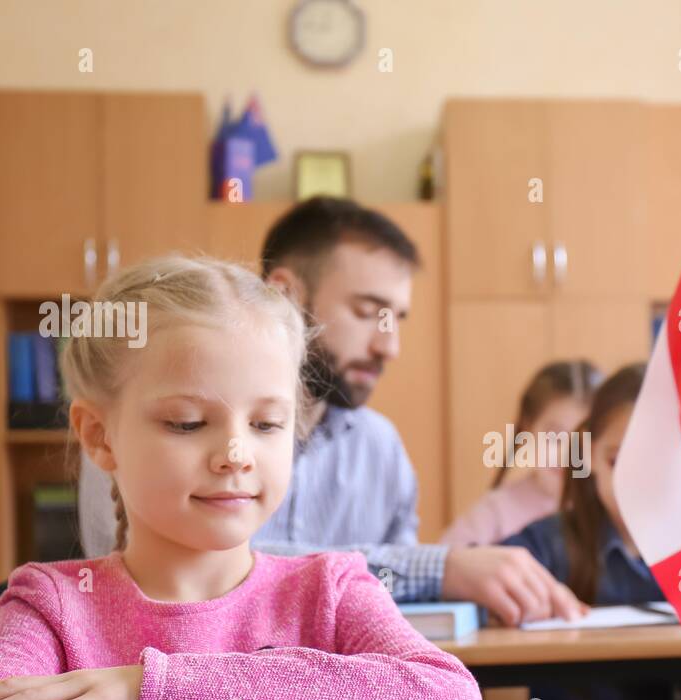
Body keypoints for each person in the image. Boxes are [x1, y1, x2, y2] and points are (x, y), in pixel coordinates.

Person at [0, 257, 487, 700]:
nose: (236, 455)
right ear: (99, 436)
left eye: (267, 424)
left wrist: (147, 688)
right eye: (188, 423)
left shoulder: (331, 587)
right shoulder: (51, 604)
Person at [78, 197, 583, 626]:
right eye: (368, 312)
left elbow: (389, 607)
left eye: (397, 319)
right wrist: (440, 568)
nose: (390, 345)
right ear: (286, 295)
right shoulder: (134, 429)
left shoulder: (380, 447)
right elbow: (183, 565)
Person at [501, 364, 681, 700]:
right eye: (619, 461)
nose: (637, 483)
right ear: (590, 455)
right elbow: (481, 591)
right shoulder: (546, 545)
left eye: (658, 464)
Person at [441, 360, 602, 546]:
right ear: (528, 429)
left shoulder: (610, 515)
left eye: (580, 441)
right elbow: (438, 565)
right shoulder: (494, 514)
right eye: (553, 436)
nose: (566, 455)